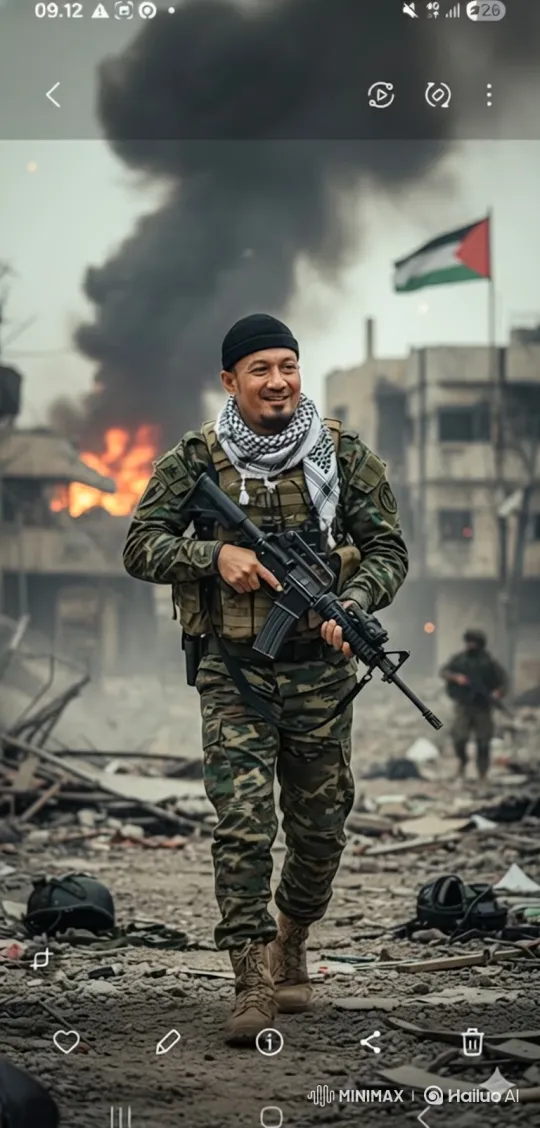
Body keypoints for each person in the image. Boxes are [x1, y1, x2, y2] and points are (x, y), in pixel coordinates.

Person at [123, 313, 409, 1045]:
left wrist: (353, 601)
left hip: (320, 675)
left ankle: (293, 936)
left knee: (321, 831)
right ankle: (250, 976)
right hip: (234, 671)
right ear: (231, 381)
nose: (278, 380)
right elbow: (140, 544)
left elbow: (388, 552)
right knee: (243, 825)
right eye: (260, 369)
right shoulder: (196, 460)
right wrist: (210, 559)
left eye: (288, 365)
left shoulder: (344, 456)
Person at [440, 628, 509, 781]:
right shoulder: (459, 660)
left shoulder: (489, 663)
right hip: (463, 705)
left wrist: (498, 692)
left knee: (483, 742)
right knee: (459, 737)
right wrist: (456, 677)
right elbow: (444, 671)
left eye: (474, 642)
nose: (471, 645)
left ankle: (482, 773)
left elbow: (504, 681)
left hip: (482, 707)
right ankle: (462, 763)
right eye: (469, 642)